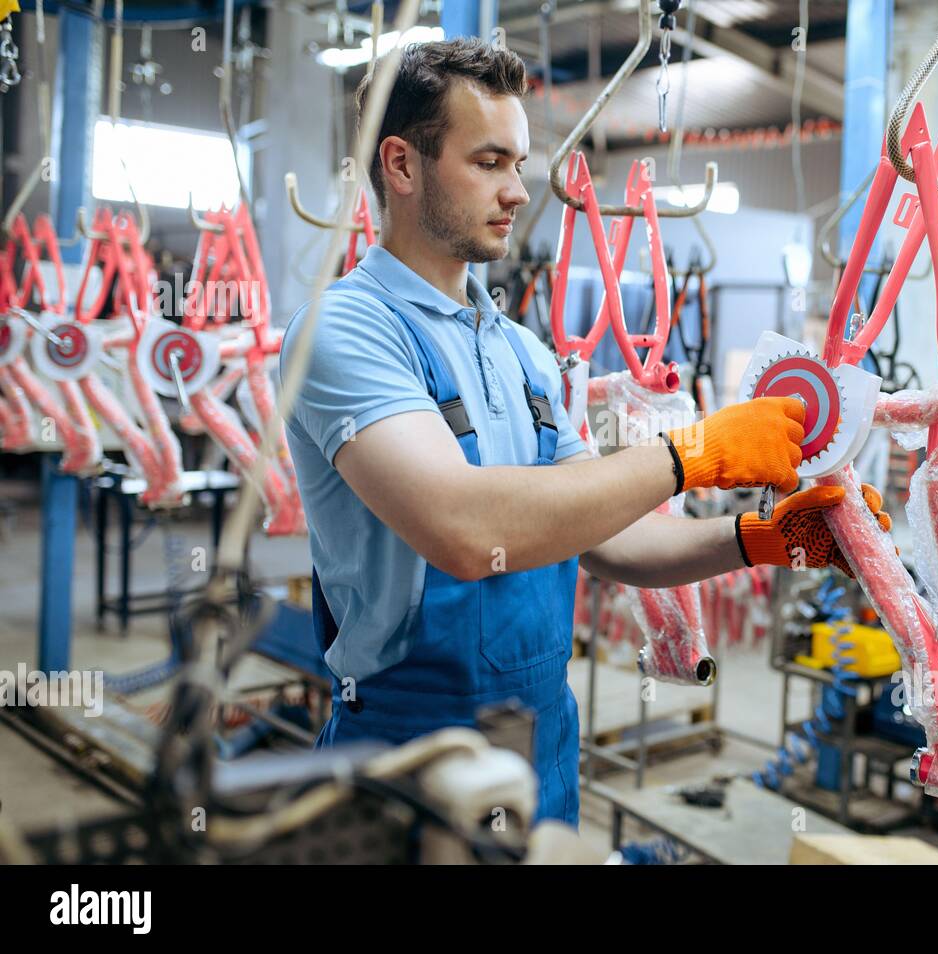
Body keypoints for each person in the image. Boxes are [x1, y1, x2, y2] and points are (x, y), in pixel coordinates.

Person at [280, 38, 887, 826]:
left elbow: (611, 541)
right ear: (401, 165)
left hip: (541, 739)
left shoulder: (522, 353)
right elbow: (464, 529)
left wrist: (759, 539)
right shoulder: (346, 330)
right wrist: (691, 454)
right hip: (412, 744)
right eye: (489, 162)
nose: (515, 190)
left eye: (519, 163)